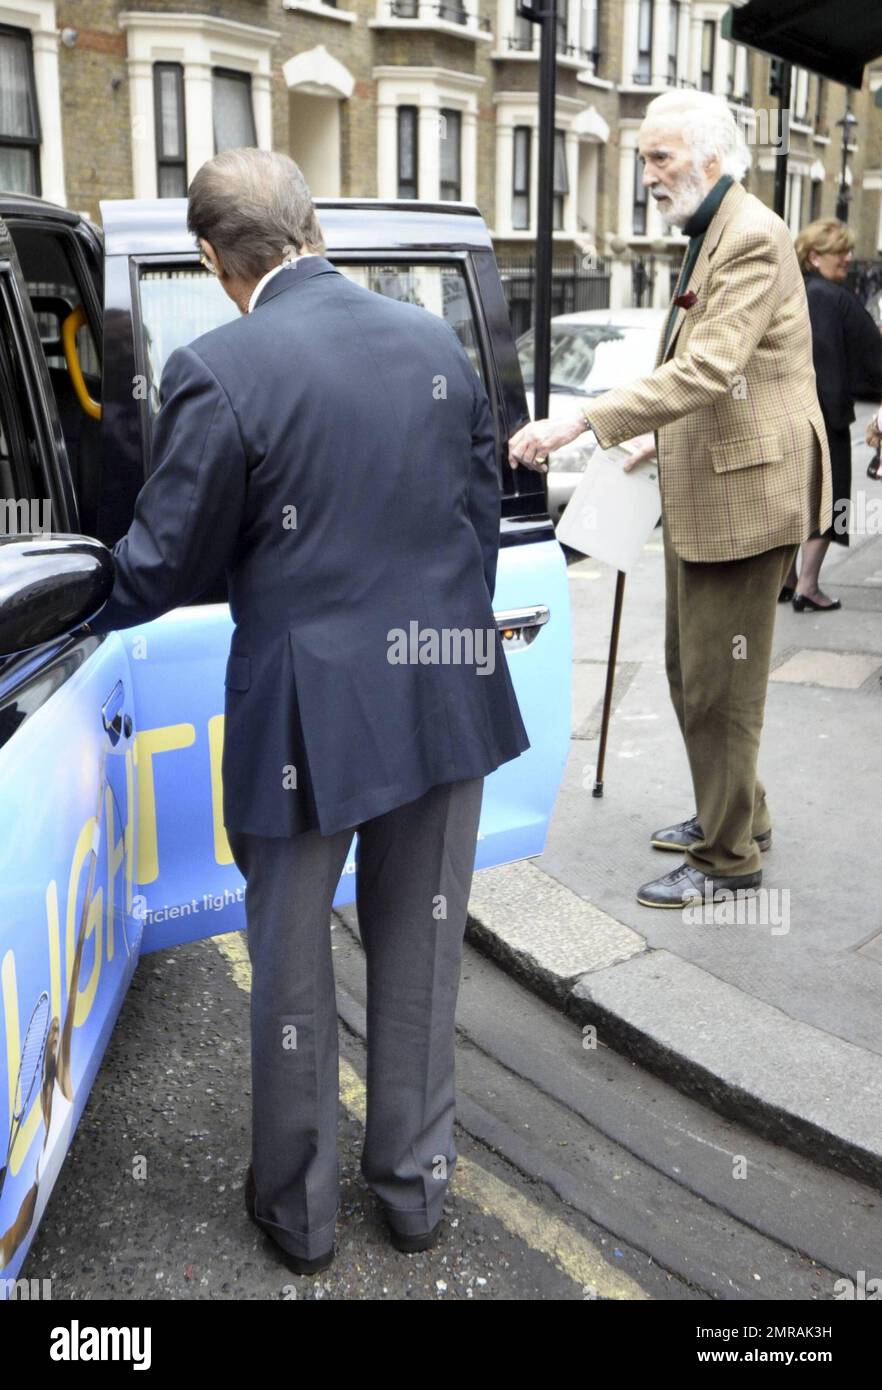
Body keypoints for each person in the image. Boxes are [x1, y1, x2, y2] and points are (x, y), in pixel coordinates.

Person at [86, 148, 530, 1274]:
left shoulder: (218, 367)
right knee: (421, 949)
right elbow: (475, 528)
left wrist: (76, 572)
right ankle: (416, 1196)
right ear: (315, 227)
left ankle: (300, 1217)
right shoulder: (435, 340)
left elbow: (162, 568)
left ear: (209, 258)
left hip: (305, 714)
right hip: (444, 688)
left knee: (289, 963)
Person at [508, 90, 831, 911]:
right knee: (694, 670)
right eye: (644, 157)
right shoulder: (713, 226)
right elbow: (738, 371)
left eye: (661, 158)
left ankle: (730, 863)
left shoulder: (751, 235)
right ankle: (740, 814)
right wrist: (657, 437)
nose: (647, 174)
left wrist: (581, 420)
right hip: (718, 468)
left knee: (721, 683)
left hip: (748, 489)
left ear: (712, 160)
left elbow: (711, 367)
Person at [779, 219, 882, 610]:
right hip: (823, 418)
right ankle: (808, 586)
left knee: (802, 498)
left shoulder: (807, 292)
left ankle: (789, 580)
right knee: (831, 499)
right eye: (841, 251)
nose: (849, 258)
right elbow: (825, 362)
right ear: (815, 255)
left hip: (806, 416)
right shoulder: (823, 296)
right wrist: (837, 414)